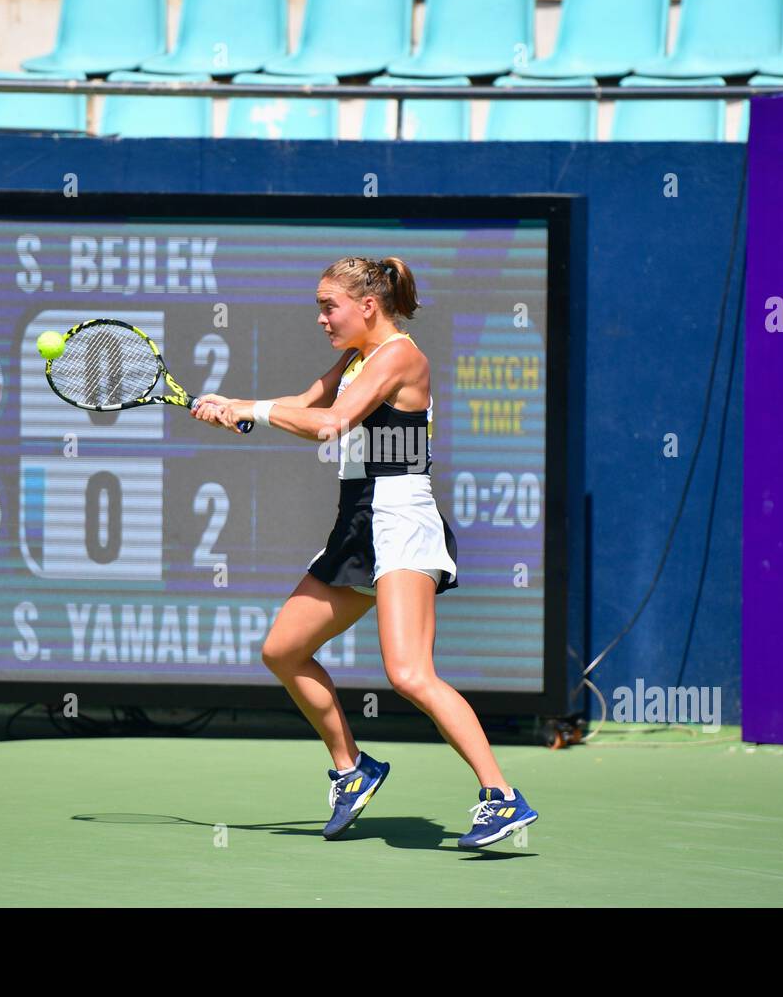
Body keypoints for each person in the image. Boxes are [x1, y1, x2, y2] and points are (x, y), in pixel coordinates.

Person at [191, 255, 538, 849]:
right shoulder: (358, 358)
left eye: (330, 306)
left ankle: (501, 796)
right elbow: (307, 401)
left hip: (401, 522)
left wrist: (256, 412)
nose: (322, 318)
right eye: (320, 307)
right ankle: (353, 770)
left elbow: (332, 425)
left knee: (409, 674)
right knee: (283, 650)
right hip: (358, 525)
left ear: (368, 306)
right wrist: (235, 408)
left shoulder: (402, 355)